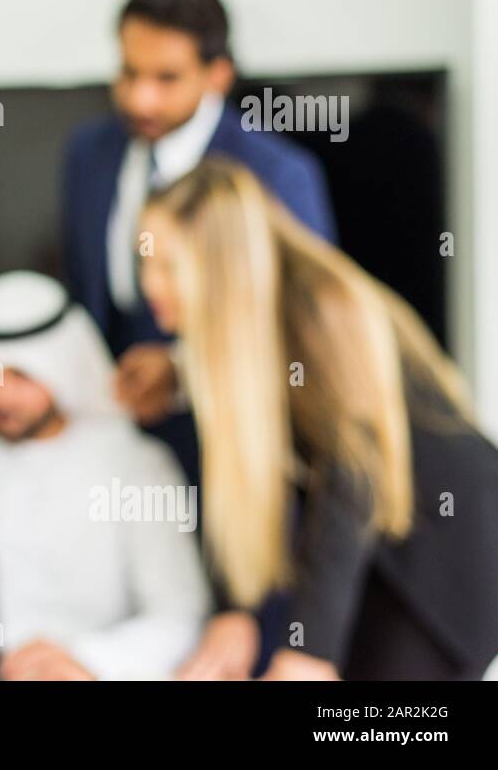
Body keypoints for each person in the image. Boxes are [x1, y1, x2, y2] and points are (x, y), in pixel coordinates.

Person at [59, 0, 336, 676]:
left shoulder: (279, 176)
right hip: (127, 461)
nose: (139, 97)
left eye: (166, 77)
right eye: (127, 72)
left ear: (219, 74)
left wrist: (181, 372)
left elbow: (299, 350)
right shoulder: (88, 156)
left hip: (244, 468)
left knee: (238, 644)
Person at [140, 159, 498, 679]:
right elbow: (245, 482)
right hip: (378, 543)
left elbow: (351, 478)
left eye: (168, 266)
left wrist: (312, 653)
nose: (150, 284)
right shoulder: (230, 334)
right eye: (144, 261)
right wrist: (236, 611)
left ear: (217, 260)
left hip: (448, 549)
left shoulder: (320, 304)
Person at [0, 271, 210, 680]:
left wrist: (84, 662)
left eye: (21, 375)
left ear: (63, 367)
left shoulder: (137, 466)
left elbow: (179, 617)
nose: (0, 396)